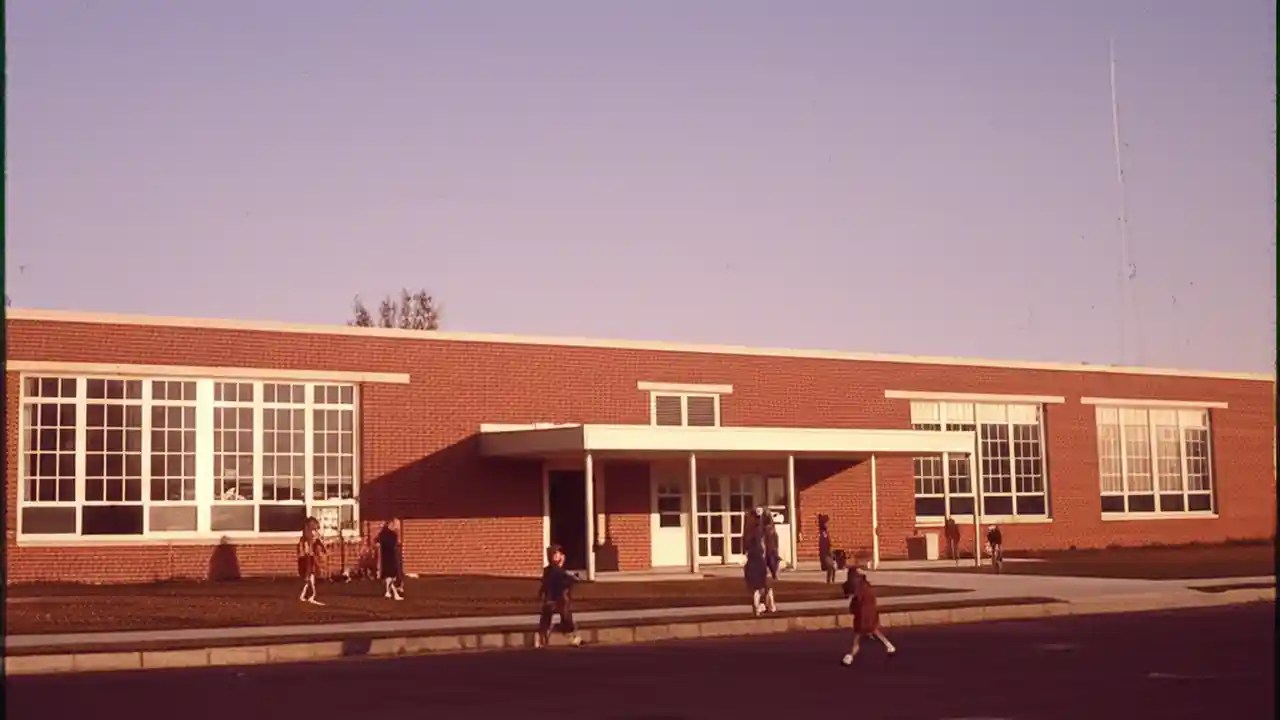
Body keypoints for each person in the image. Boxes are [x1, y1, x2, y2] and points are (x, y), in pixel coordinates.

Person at [840, 562, 896, 666]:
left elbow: (853, 598)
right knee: (873, 630)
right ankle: (889, 645)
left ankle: (850, 656)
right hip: (868, 612)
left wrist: (853, 608)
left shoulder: (858, 587)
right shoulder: (864, 585)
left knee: (858, 636)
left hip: (862, 614)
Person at [537, 545, 583, 648]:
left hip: (559, 600)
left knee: (565, 613)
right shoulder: (553, 570)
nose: (559, 555)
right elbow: (559, 581)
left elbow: (567, 581)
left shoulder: (557, 570)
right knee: (554, 613)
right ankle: (545, 638)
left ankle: (571, 635)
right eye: (556, 553)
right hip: (553, 599)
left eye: (560, 554)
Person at [743, 507, 775, 616]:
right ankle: (765, 606)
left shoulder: (748, 530)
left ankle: (762, 606)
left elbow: (746, 547)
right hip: (759, 562)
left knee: (757, 588)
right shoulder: (761, 532)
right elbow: (765, 548)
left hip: (751, 562)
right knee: (762, 586)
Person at [297, 517, 326, 605]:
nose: (316, 532)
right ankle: (309, 596)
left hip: (308, 558)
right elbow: (306, 551)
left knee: (311, 578)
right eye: (314, 529)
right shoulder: (306, 539)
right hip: (307, 558)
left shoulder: (309, 538)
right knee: (309, 577)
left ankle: (307, 595)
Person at [376, 518, 406, 600]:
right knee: (390, 576)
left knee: (389, 577)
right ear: (391, 524)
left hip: (386, 557)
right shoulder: (391, 535)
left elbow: (378, 541)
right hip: (390, 557)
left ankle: (388, 592)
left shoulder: (383, 534)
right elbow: (393, 545)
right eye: (395, 525)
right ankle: (394, 594)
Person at [762, 510, 782, 581]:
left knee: (771, 560)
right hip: (769, 546)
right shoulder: (769, 528)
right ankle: (773, 574)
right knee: (771, 560)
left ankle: (773, 574)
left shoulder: (768, 528)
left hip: (770, 546)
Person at [817, 514, 836, 584]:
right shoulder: (824, 533)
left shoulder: (824, 532)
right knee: (831, 567)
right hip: (826, 553)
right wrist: (829, 550)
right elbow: (825, 542)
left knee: (831, 568)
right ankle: (830, 581)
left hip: (826, 553)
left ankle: (830, 580)